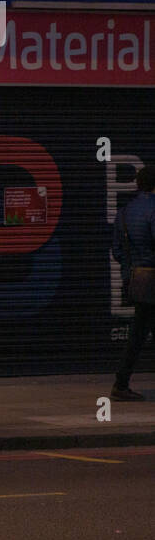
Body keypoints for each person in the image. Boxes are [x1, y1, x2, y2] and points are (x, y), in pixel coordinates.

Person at [110, 166, 155, 401]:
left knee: (138, 332)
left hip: (136, 279)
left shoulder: (124, 212)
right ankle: (120, 382)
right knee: (139, 332)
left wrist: (132, 267)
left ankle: (121, 383)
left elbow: (117, 250)